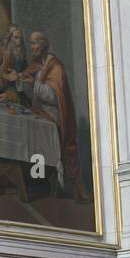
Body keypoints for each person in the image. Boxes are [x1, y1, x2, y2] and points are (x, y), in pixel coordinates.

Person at [21, 31, 86, 198]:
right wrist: (21, 80)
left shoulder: (55, 66)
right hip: (40, 111)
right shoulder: (37, 64)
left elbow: (52, 96)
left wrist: (33, 83)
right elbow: (30, 86)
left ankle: (41, 183)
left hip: (54, 115)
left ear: (43, 45)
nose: (32, 47)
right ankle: (33, 179)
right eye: (31, 43)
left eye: (35, 43)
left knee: (40, 139)